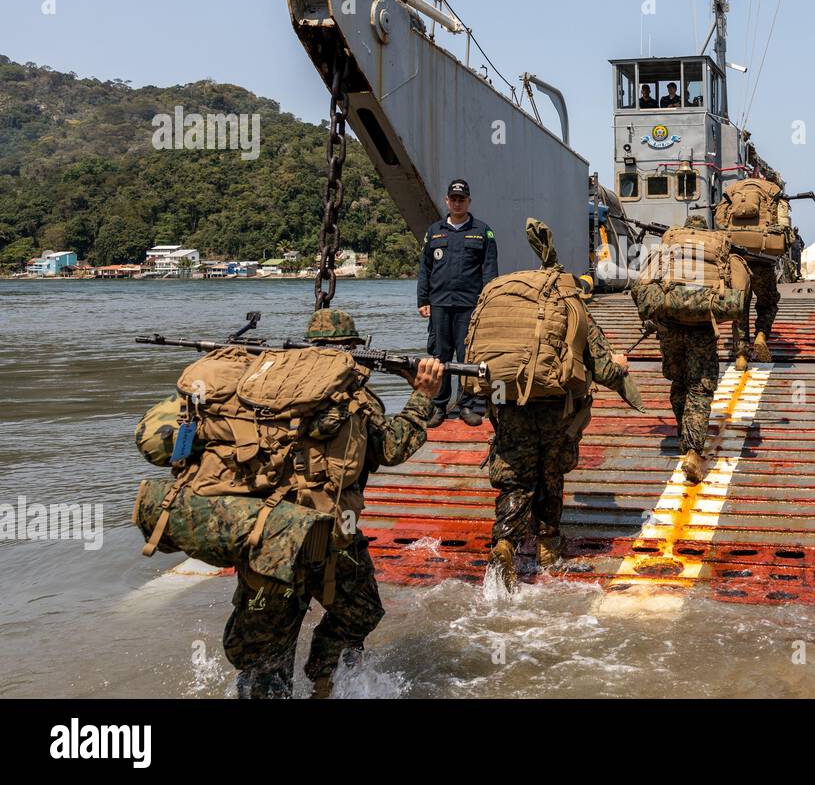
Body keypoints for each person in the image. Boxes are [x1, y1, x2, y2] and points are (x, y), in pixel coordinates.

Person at [224, 309, 443, 698]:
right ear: (353, 349)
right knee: (361, 610)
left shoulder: (258, 392)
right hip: (330, 535)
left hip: (264, 533)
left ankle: (269, 683)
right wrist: (421, 397)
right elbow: (391, 448)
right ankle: (325, 679)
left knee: (265, 646)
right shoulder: (355, 398)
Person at [484, 222, 636, 590]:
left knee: (516, 478)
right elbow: (602, 369)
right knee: (550, 475)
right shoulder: (572, 307)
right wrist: (619, 366)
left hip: (511, 402)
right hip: (556, 408)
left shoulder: (512, 303)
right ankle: (548, 546)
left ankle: (505, 543)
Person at [417, 179, 498, 428]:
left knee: (467, 356)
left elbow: (489, 270)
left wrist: (488, 302)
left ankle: (466, 405)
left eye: (461, 199)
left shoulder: (482, 231)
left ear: (469, 201)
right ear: (447, 201)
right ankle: (439, 406)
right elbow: (425, 269)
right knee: (439, 356)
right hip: (439, 304)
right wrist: (423, 300)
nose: (457, 203)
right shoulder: (434, 231)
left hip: (469, 305)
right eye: (453, 199)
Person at [657, 214, 722, 484]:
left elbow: (650, 283)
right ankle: (693, 451)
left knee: (679, 382)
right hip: (701, 329)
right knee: (699, 388)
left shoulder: (670, 242)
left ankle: (684, 435)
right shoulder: (715, 247)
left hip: (669, 327)